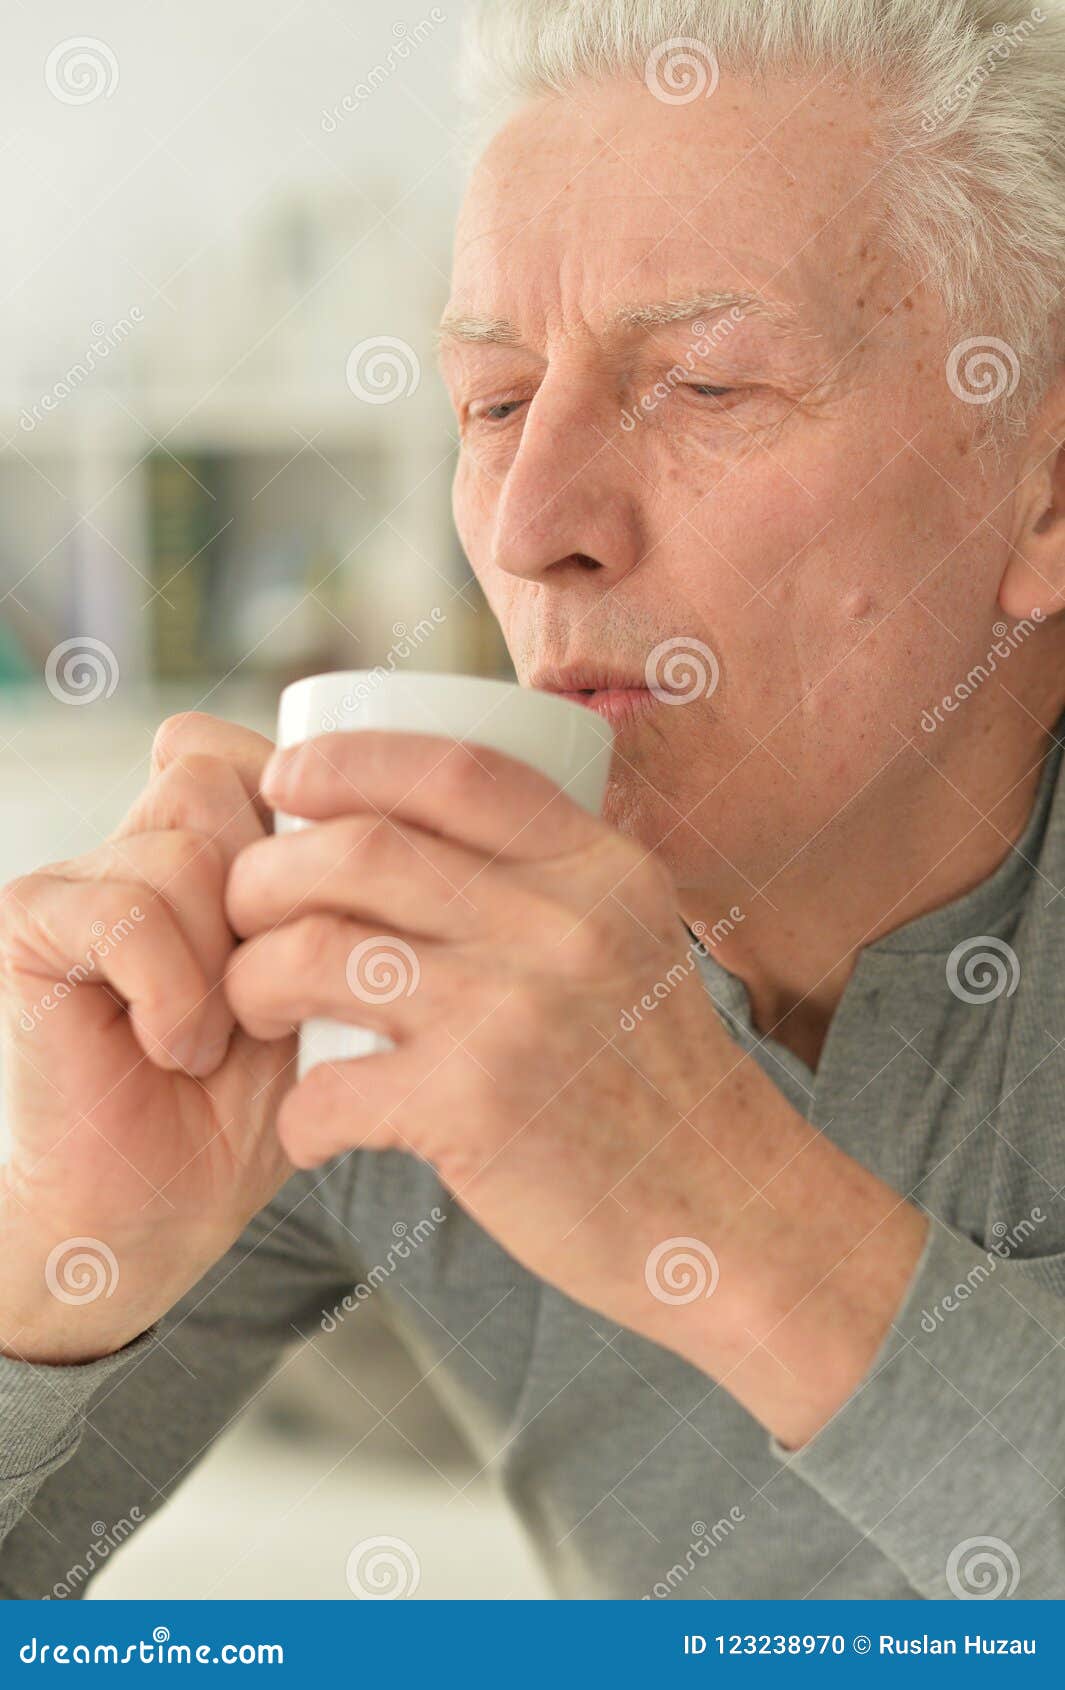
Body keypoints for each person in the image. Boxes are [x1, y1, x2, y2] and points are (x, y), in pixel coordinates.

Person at [3, 0, 1065, 1601]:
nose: (527, 524)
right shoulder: (376, 964)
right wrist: (54, 1265)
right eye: (493, 404)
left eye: (706, 385)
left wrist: (730, 1205)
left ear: (1043, 488)